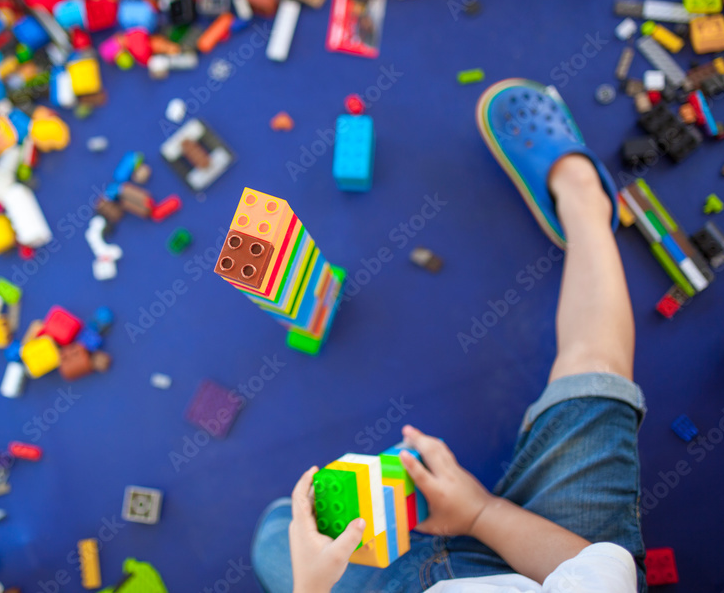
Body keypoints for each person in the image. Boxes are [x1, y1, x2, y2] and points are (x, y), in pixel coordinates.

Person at [250, 79, 647, 593]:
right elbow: (601, 576)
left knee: (272, 538)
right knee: (596, 372)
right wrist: (481, 513)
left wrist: (311, 586)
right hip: (562, 561)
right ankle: (586, 204)